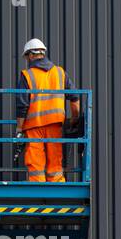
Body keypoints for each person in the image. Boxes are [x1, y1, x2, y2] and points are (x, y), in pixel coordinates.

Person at [16, 38, 81, 183]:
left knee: (35, 158)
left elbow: (22, 105)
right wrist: (75, 119)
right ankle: (57, 183)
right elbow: (75, 97)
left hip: (33, 124)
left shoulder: (27, 75)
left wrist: (19, 128)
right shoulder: (60, 72)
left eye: (27, 56)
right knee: (55, 157)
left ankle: (37, 185)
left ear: (31, 55)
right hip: (55, 124)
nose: (27, 59)